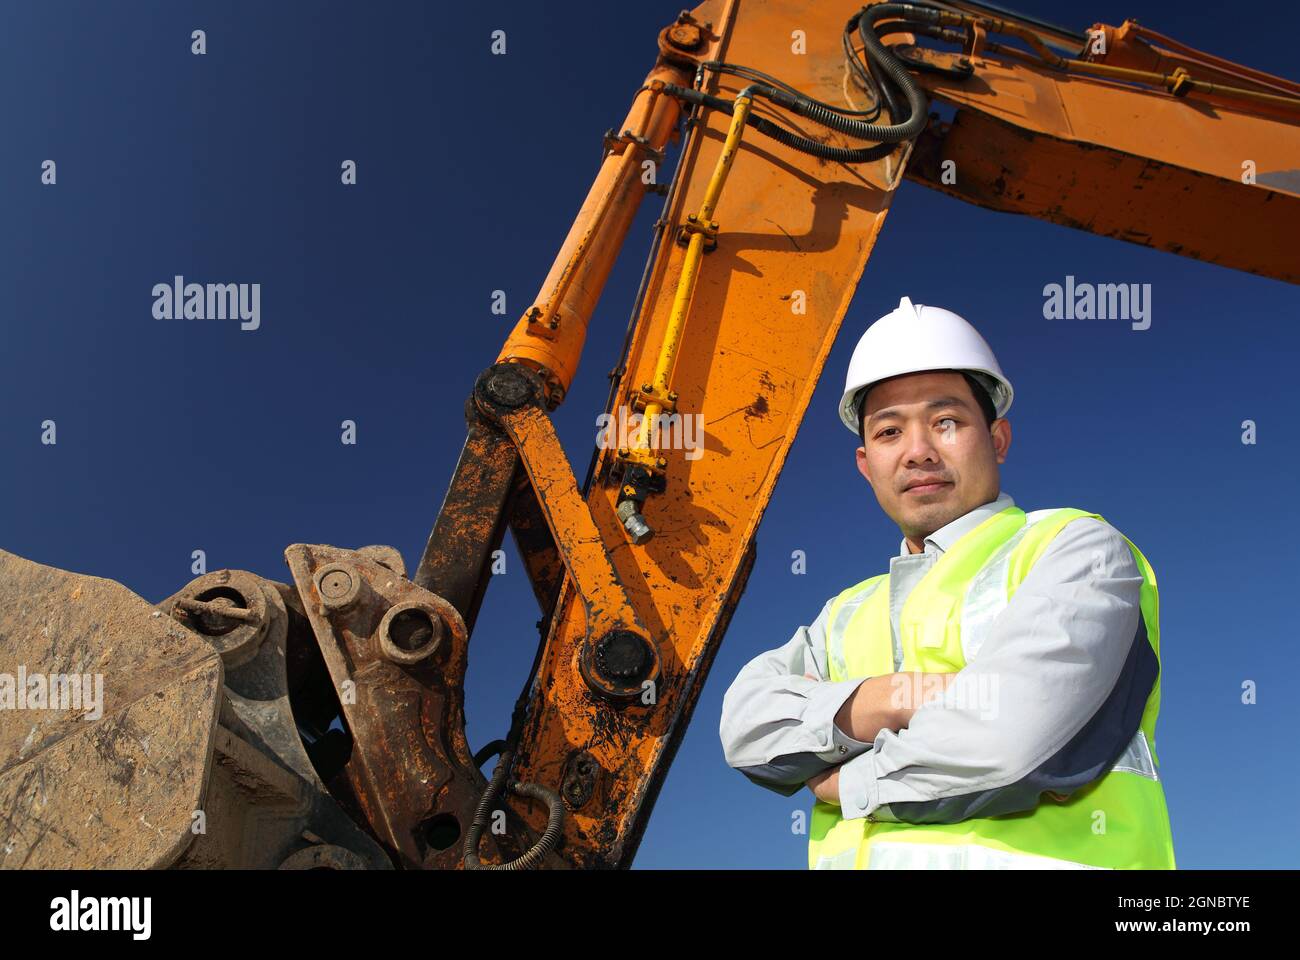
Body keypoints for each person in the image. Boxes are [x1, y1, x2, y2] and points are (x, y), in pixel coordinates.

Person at [718, 297, 1175, 870]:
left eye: (948, 421)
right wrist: (901, 697)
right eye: (889, 432)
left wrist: (852, 779)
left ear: (999, 439)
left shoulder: (1073, 548)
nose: (918, 452)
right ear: (866, 464)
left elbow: (1012, 743)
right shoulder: (844, 613)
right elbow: (746, 727)